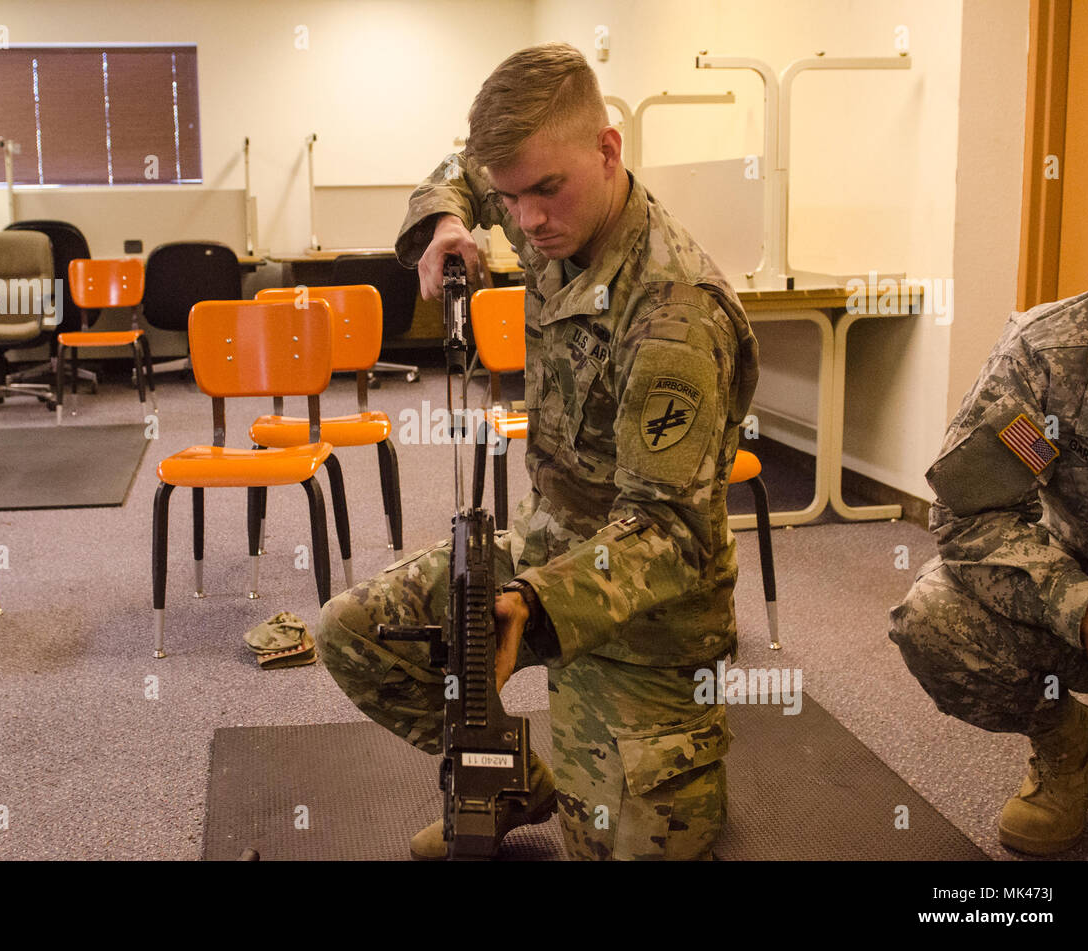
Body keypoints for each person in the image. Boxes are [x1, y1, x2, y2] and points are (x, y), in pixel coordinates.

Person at [318, 42, 759, 860]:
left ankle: (665, 771)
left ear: (608, 148)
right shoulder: (546, 193)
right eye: (510, 198)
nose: (526, 220)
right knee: (350, 631)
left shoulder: (675, 315)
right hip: (545, 544)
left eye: (545, 192)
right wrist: (447, 222)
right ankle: (516, 776)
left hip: (643, 619)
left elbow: (673, 536)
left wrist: (534, 602)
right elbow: (461, 168)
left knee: (622, 847)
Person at [889, 284, 1088, 855]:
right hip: (1087, 587)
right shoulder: (1051, 352)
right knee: (936, 619)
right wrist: (1086, 610)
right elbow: (971, 517)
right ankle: (1073, 747)